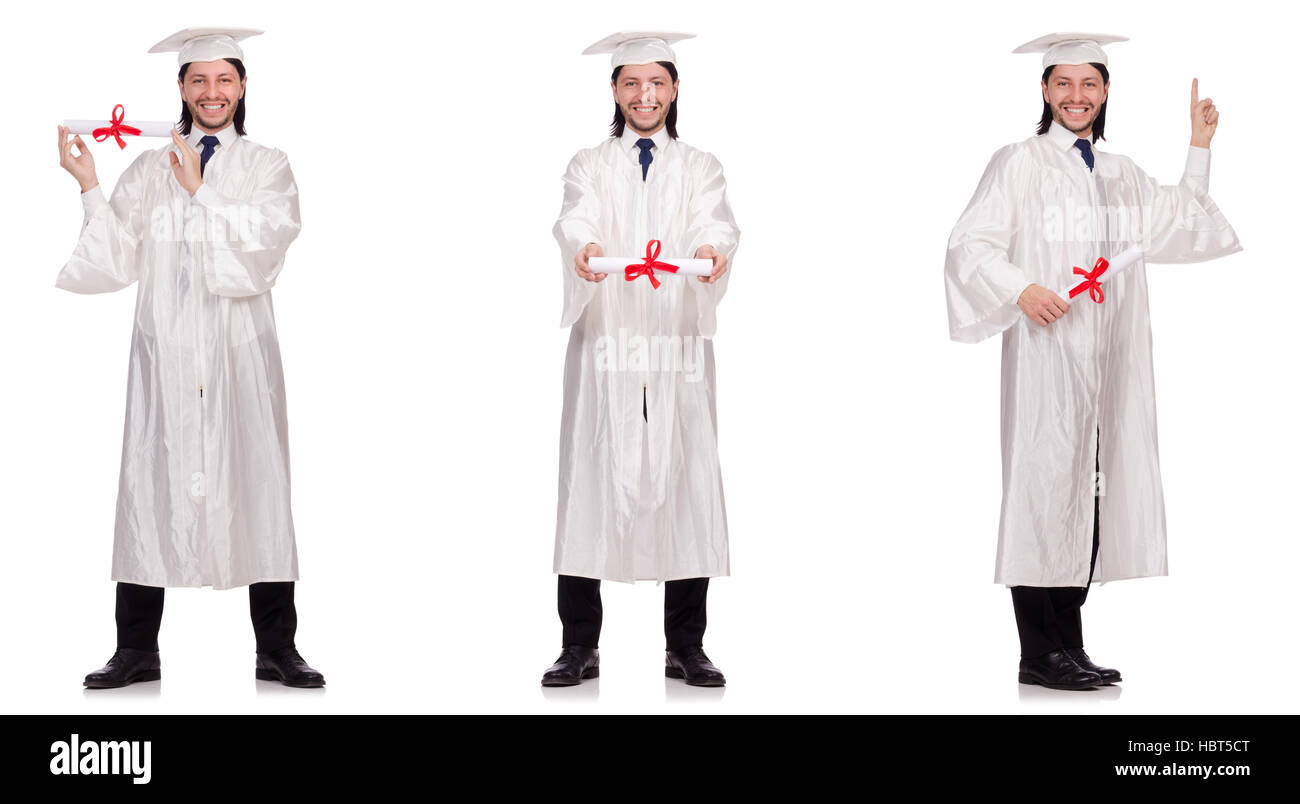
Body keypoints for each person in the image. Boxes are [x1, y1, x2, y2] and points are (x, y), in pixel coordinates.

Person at [945, 33, 1241, 690]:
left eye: (1090, 85)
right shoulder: (1019, 163)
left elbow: (1179, 222)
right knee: (1042, 493)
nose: (1077, 97)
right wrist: (1021, 288)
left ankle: (1068, 644)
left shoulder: (1119, 174)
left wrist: (1199, 147)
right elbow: (970, 245)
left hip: (1108, 361)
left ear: (1105, 93)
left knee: (1093, 495)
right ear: (1045, 91)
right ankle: (1036, 650)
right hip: (1049, 357)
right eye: (1064, 84)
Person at [56, 27, 324, 688]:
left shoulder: (267, 165)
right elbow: (115, 257)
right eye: (198, 80)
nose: (212, 93)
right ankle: (136, 649)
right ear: (180, 87)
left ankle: (277, 648)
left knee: (257, 484)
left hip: (239, 357)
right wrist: (88, 183)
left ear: (242, 86)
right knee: (150, 484)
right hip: (166, 355)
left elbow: (264, 251)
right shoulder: (148, 169)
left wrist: (202, 190)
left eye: (223, 80)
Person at [542, 32, 740, 687]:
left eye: (656, 83)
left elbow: (718, 223)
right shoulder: (589, 164)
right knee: (591, 476)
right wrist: (586, 246)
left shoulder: (700, 166)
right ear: (615, 91)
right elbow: (576, 218)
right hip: (609, 340)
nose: (644, 95)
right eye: (631, 84)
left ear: (675, 89)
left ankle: (686, 644)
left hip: (675, 339)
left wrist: (714, 251)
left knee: (685, 479)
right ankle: (579, 644)